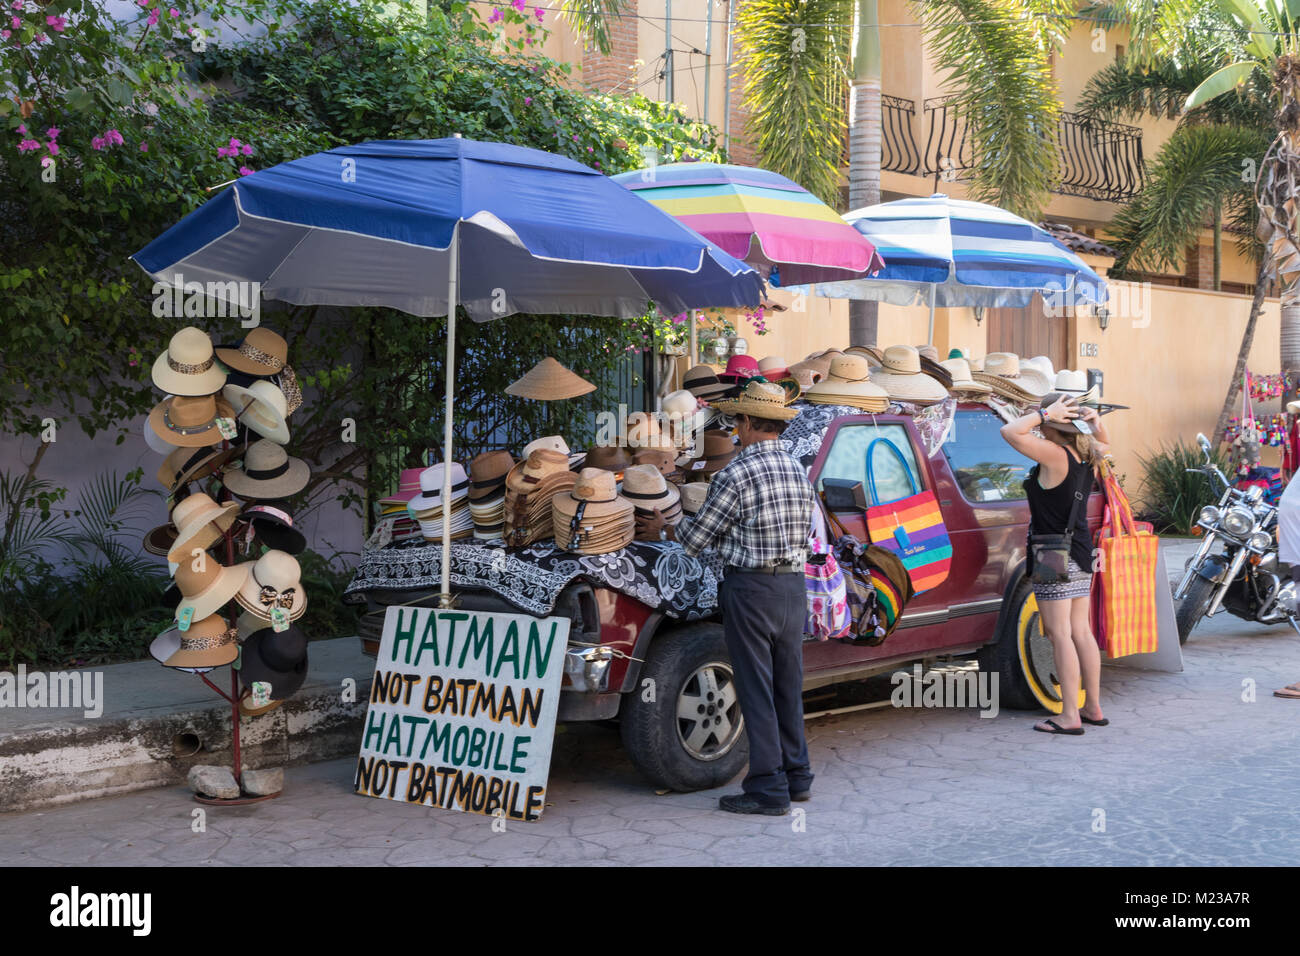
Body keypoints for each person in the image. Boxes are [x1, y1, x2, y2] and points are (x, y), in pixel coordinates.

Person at [636, 381, 815, 815]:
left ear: (749, 423)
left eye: (737, 421)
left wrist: (664, 529)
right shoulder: (796, 467)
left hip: (752, 590)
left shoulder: (734, 473)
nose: (735, 429)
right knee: (787, 685)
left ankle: (768, 789)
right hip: (793, 587)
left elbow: (696, 539)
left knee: (754, 688)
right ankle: (797, 776)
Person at [1000, 392, 1110, 734]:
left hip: (1051, 552)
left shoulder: (1054, 453)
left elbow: (1011, 433)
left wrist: (1044, 413)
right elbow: (1105, 442)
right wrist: (1094, 422)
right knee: (1081, 631)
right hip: (1081, 549)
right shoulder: (1087, 453)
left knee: (1060, 634)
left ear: (1051, 421)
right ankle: (1092, 706)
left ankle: (1068, 716)